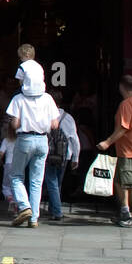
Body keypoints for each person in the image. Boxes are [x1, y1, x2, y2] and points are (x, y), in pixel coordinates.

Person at [97, 75, 132, 228]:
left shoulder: (126, 105)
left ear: (121, 87)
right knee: (120, 182)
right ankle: (125, 211)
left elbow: (123, 128)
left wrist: (107, 142)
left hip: (129, 150)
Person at [5, 85, 60, 228]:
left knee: (16, 176)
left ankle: (24, 207)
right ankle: (34, 218)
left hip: (25, 139)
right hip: (42, 140)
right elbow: (55, 124)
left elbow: (15, 124)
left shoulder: (19, 98)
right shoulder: (48, 98)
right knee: (36, 181)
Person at [43, 91, 81, 222]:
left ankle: (57, 211)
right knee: (57, 182)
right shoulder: (68, 117)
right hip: (65, 155)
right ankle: (53, 208)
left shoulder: (45, 116)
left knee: (51, 181)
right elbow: (74, 139)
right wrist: (76, 157)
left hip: (49, 153)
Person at [0, 121, 17, 217]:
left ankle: (11, 200)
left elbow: (1, 153)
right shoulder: (20, 140)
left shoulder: (6, 140)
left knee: (6, 186)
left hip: (8, 164)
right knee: (17, 186)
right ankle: (17, 207)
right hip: (18, 165)